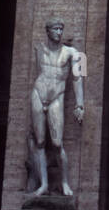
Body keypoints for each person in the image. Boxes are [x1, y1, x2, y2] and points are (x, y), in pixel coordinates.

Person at [30, 19, 84, 197]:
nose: (59, 32)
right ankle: (43, 185)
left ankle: (65, 183)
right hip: (38, 94)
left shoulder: (74, 53)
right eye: (56, 29)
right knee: (39, 142)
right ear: (48, 31)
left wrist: (80, 103)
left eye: (62, 29)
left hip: (57, 97)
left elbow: (78, 78)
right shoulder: (38, 49)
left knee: (57, 143)